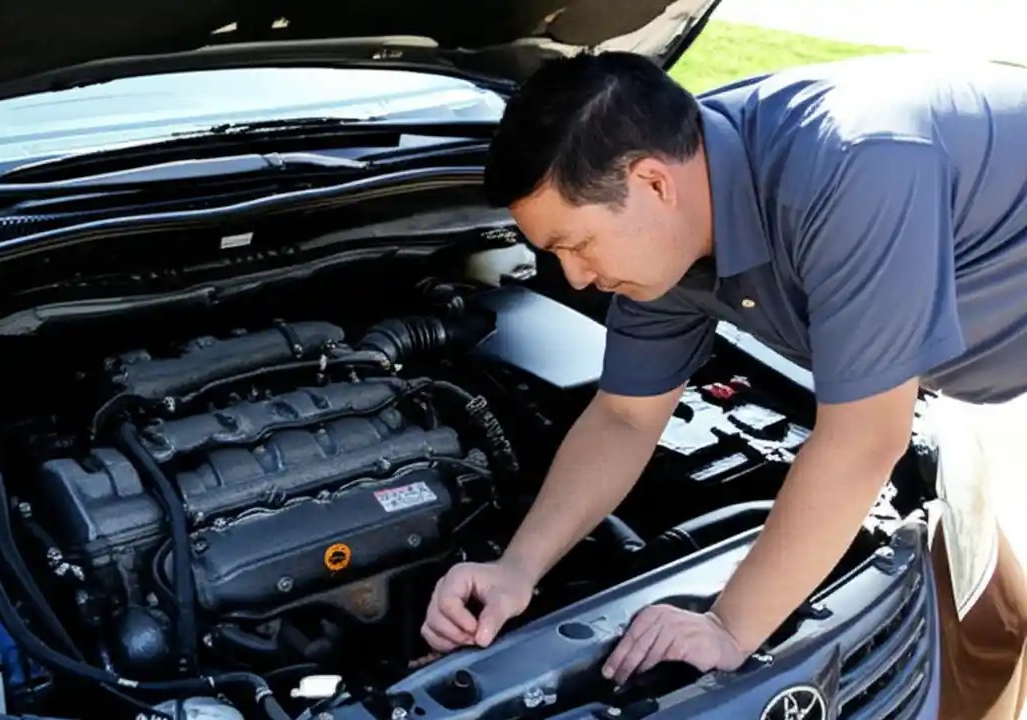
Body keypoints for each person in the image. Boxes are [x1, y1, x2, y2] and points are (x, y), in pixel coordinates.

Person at [419, 50, 1027, 719]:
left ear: (653, 183)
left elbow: (862, 443)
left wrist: (729, 626)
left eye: (576, 244)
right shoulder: (670, 242)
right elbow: (623, 417)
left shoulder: (853, 168)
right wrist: (518, 570)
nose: (575, 279)